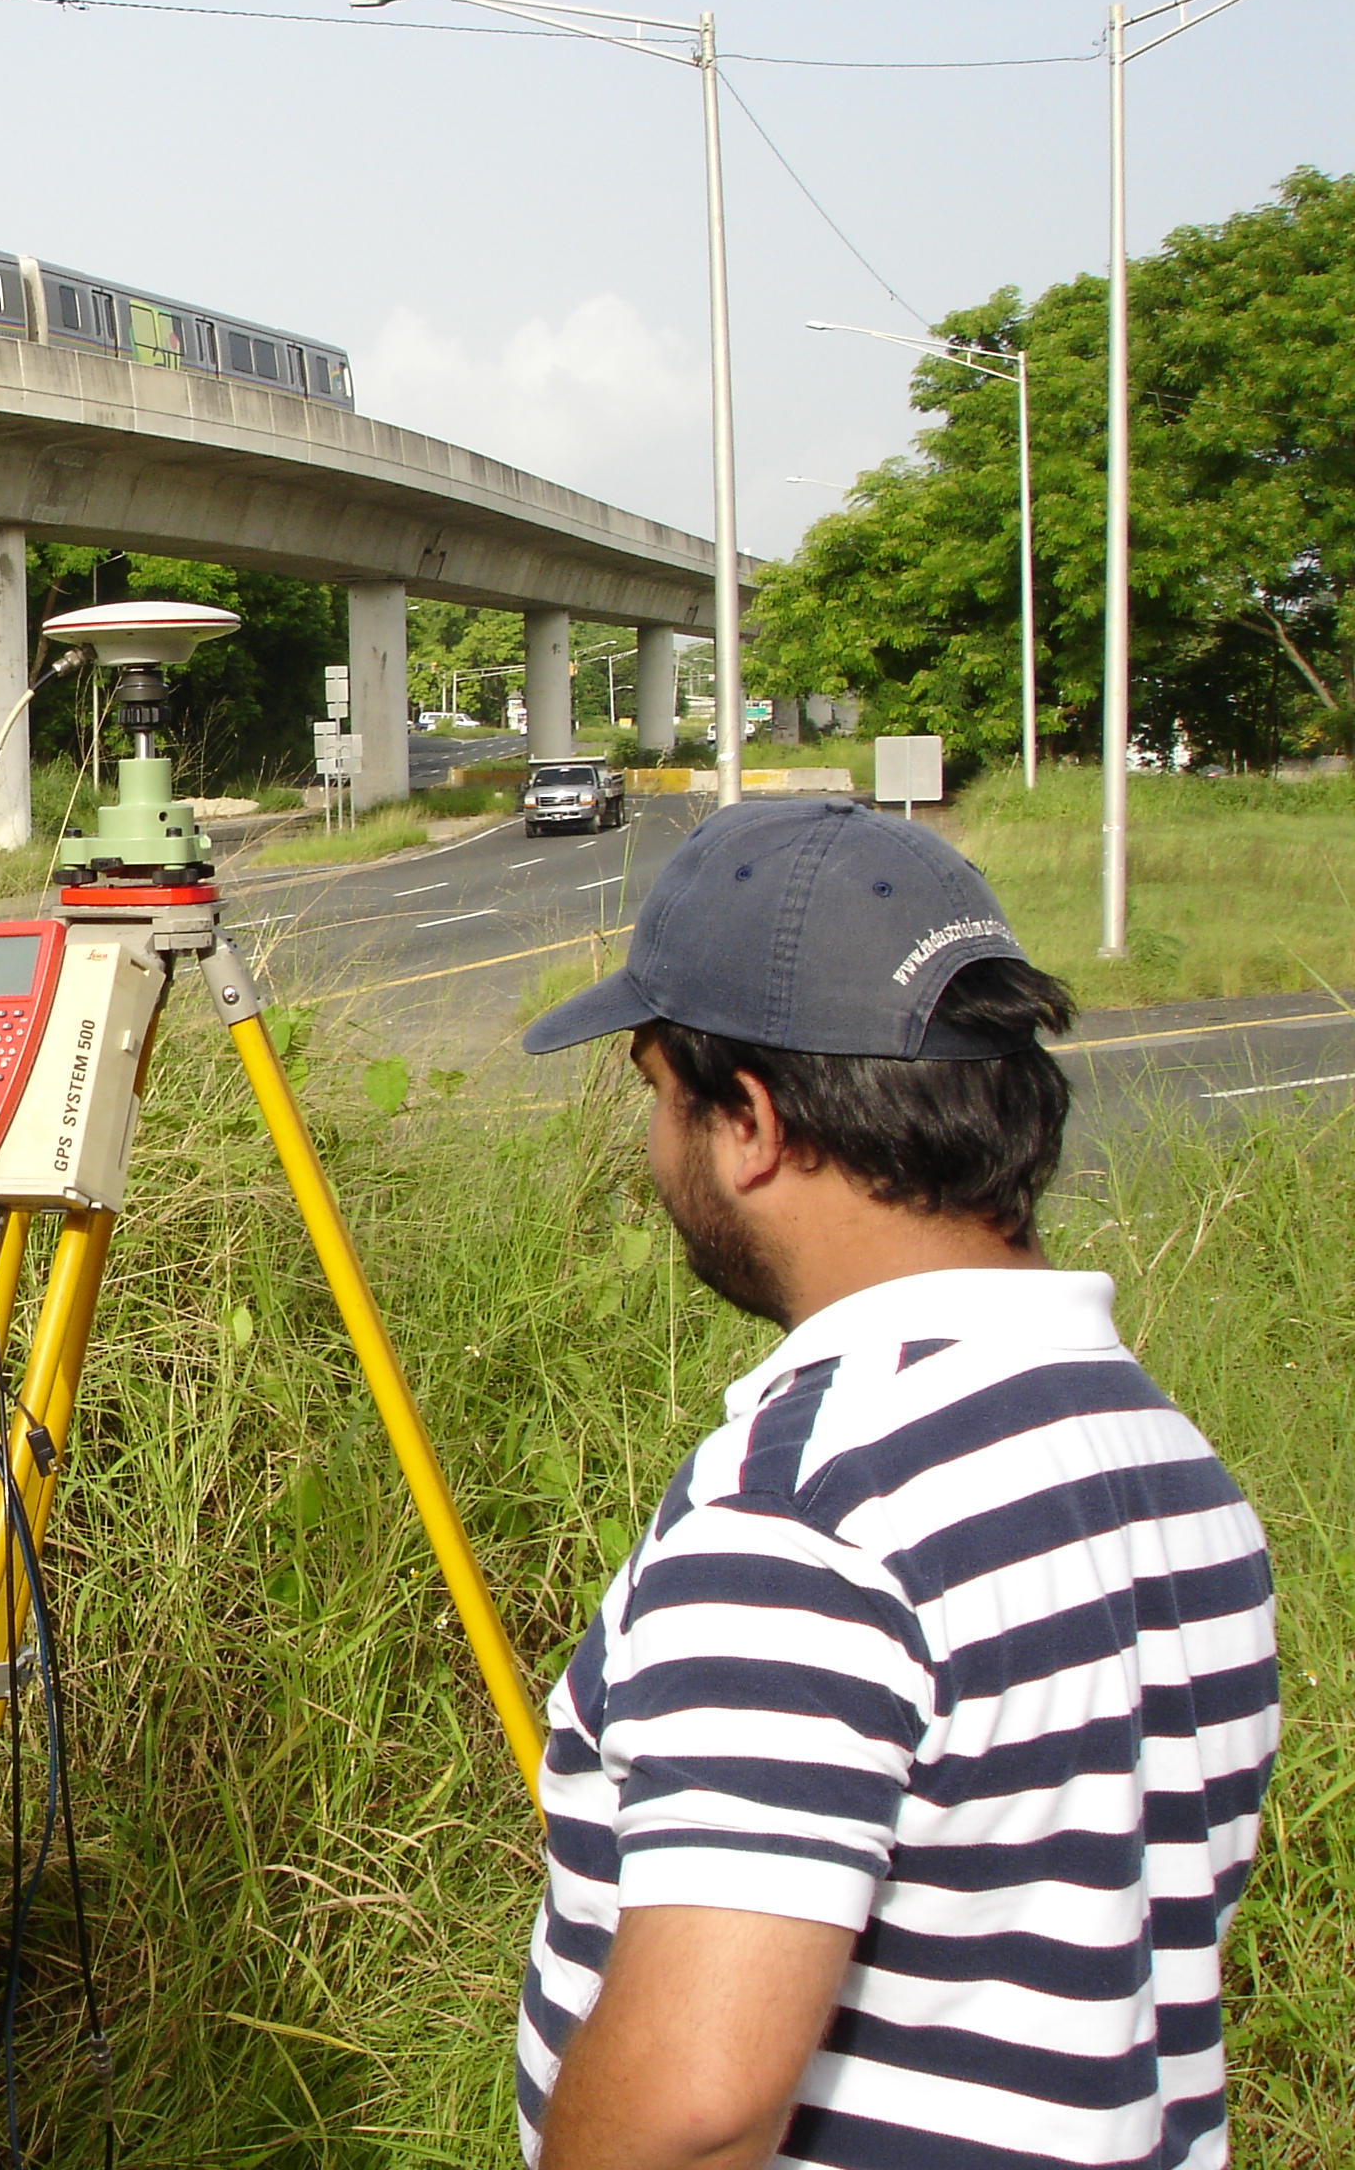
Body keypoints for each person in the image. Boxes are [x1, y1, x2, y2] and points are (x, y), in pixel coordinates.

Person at [512, 797, 1279, 2170]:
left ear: (746, 1119)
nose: (654, 1149)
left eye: (657, 1092)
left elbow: (696, 2109)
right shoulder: (1169, 1462)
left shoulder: (809, 1517)